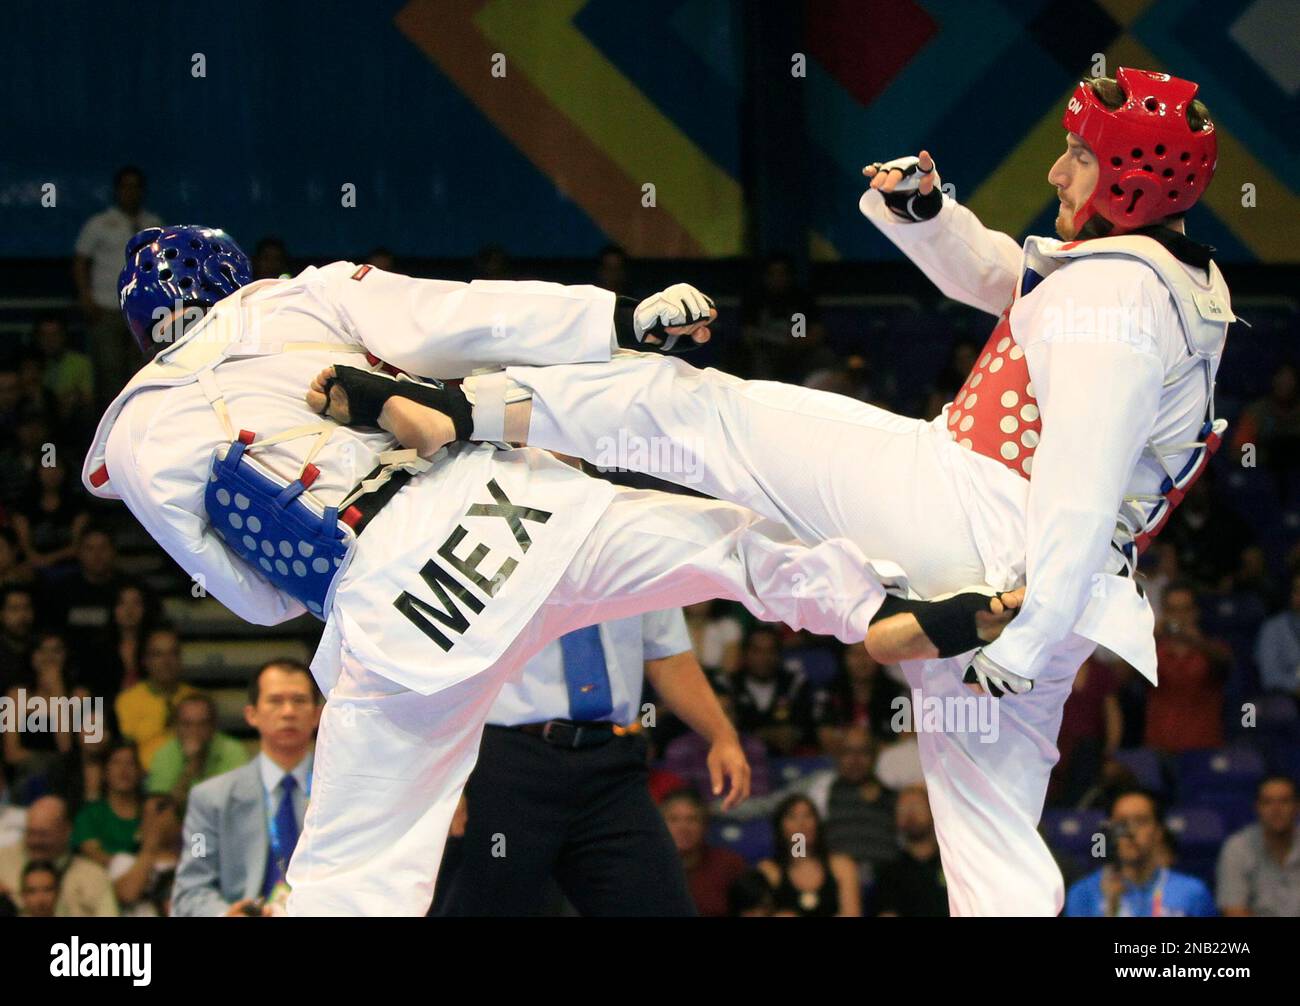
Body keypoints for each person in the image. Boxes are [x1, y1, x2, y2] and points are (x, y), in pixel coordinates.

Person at [411, 68, 1230, 916]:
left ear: (1133, 175)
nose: (1057, 173)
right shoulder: (1168, 282)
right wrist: (930, 216)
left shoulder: (1113, 295)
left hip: (983, 525)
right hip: (1046, 593)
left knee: (701, 410)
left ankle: (464, 408)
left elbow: (1080, 479)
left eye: (1077, 156)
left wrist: (1022, 637)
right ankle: (914, 623)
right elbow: (1012, 285)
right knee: (992, 843)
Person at [84, 226, 957, 916]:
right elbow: (466, 314)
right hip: (510, 513)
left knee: (349, 876)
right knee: (721, 544)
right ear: (233, 275)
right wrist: (614, 318)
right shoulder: (300, 296)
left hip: (397, 611)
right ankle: (879, 600)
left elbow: (253, 596)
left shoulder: (134, 437)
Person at [433, 608, 747, 916]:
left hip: (610, 767)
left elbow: (666, 655)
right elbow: (434, 659)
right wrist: (442, 775)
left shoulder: (640, 555)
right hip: (502, 763)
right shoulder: (490, 556)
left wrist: (721, 734)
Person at [171, 660, 319, 917]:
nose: (288, 712)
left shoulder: (343, 793)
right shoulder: (210, 799)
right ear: (252, 714)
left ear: (318, 714)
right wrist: (226, 914)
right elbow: (189, 893)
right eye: (275, 701)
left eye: (299, 700)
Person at [73, 165, 162, 406]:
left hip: (143, 311)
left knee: (143, 369)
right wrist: (86, 298)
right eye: (126, 187)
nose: (130, 192)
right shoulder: (99, 223)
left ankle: (139, 421)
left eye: (135, 187)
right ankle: (108, 431)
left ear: (142, 191)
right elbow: (81, 261)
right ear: (117, 190)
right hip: (107, 308)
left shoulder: (153, 223)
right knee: (109, 371)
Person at [1065, 789, 1215, 917]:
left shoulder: (1192, 893)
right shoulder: (1083, 894)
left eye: (1141, 821)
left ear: (1158, 831)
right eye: (1121, 822)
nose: (1130, 831)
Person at [1144, 584, 1231, 753]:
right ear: (1164, 613)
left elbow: (1226, 664)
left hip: (1203, 748)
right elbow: (1120, 678)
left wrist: (1194, 641)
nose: (1179, 617)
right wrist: (1149, 636)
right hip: (1160, 748)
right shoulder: (1152, 651)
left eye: (1185, 610)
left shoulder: (1212, 650)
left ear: (1195, 612)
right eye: (1172, 610)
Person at [0, 795, 117, 916]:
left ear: (67, 831)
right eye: (31, 833)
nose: (35, 841)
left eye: (43, 834)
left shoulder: (93, 875)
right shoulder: (2, 862)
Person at [757, 794, 861, 916]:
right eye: (792, 817)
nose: (802, 823)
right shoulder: (769, 870)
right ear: (780, 826)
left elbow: (851, 913)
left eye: (808, 816)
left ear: (818, 823)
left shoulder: (842, 866)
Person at [114, 627, 200, 770]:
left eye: (172, 654)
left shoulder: (197, 699)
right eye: (158, 654)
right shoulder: (127, 700)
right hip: (142, 780)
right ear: (145, 660)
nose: (166, 661)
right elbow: (126, 751)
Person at [1216, 776, 1300, 917]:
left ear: (1297, 806)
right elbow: (1233, 911)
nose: (1276, 809)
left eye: (1284, 801)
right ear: (1257, 807)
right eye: (1268, 802)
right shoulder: (1237, 848)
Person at [660, 787, 749, 918]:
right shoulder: (642, 867)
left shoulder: (729, 865)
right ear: (659, 825)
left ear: (705, 825)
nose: (683, 827)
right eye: (673, 819)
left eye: (692, 819)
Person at [147, 692, 249, 805]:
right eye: (187, 724)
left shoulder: (233, 751)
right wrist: (190, 768)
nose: (194, 731)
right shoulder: (164, 754)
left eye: (202, 724)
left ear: (213, 726)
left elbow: (237, 802)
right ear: (176, 727)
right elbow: (161, 810)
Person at [874, 784, 948, 917]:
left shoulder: (952, 864)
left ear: (933, 810)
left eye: (917, 806)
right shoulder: (889, 872)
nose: (910, 814)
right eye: (903, 809)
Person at [70, 740, 144, 867]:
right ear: (104, 772)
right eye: (116, 763)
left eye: (130, 763)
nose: (123, 770)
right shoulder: (90, 815)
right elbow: (93, 853)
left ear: (139, 771)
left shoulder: (151, 812)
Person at [1255, 571, 1300, 698]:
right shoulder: (1272, 628)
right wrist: (1295, 687)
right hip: (1289, 699)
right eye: (1297, 590)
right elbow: (1270, 676)